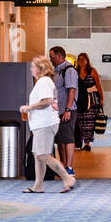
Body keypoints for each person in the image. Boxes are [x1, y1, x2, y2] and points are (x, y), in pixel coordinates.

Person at [20, 56, 76, 193]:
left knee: (43, 155)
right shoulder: (44, 81)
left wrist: (29, 107)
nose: (31, 69)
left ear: (40, 69)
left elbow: (46, 101)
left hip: (45, 124)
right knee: (37, 154)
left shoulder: (44, 81)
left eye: (33, 66)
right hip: (42, 124)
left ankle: (67, 178)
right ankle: (38, 185)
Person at [49, 46, 78, 175]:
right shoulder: (56, 71)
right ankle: (63, 164)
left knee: (68, 137)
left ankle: (69, 166)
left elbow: (72, 89)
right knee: (60, 139)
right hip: (57, 110)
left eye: (53, 57)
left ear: (60, 56)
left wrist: (67, 109)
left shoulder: (69, 70)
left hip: (68, 110)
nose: (51, 60)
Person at [74, 52, 100, 152]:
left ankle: (87, 143)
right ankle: (79, 141)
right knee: (80, 121)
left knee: (89, 121)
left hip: (91, 99)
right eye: (79, 59)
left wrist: (101, 99)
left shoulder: (92, 71)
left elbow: (98, 85)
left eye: (83, 59)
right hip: (79, 99)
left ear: (87, 60)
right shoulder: (75, 72)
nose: (81, 61)